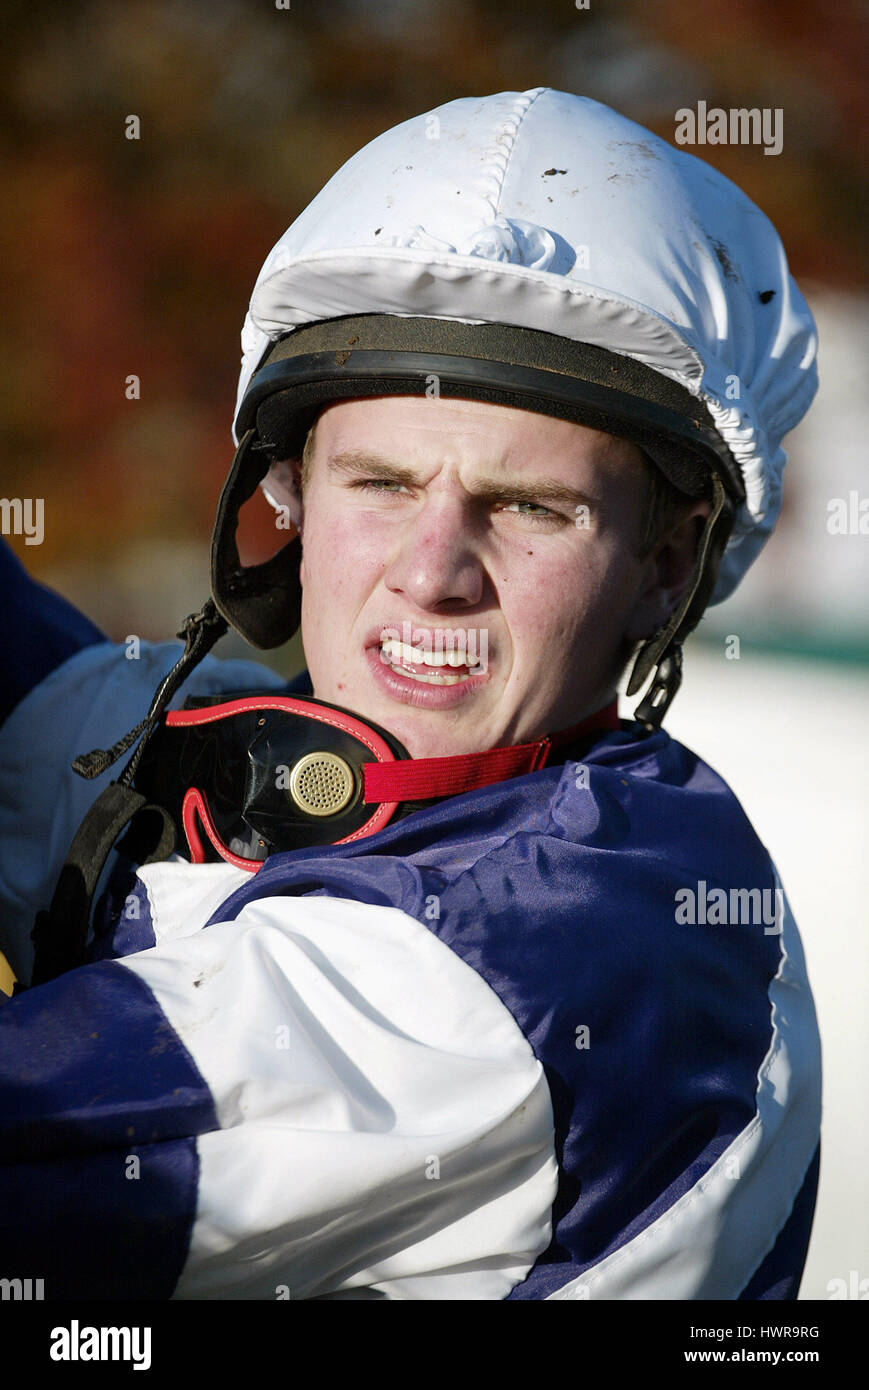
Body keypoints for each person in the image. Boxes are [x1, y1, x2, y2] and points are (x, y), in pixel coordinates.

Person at [0, 87, 821, 1300]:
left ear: (662, 565)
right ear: (287, 496)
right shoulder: (354, 783)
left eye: (530, 507)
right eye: (380, 483)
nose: (431, 573)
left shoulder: (546, 947)